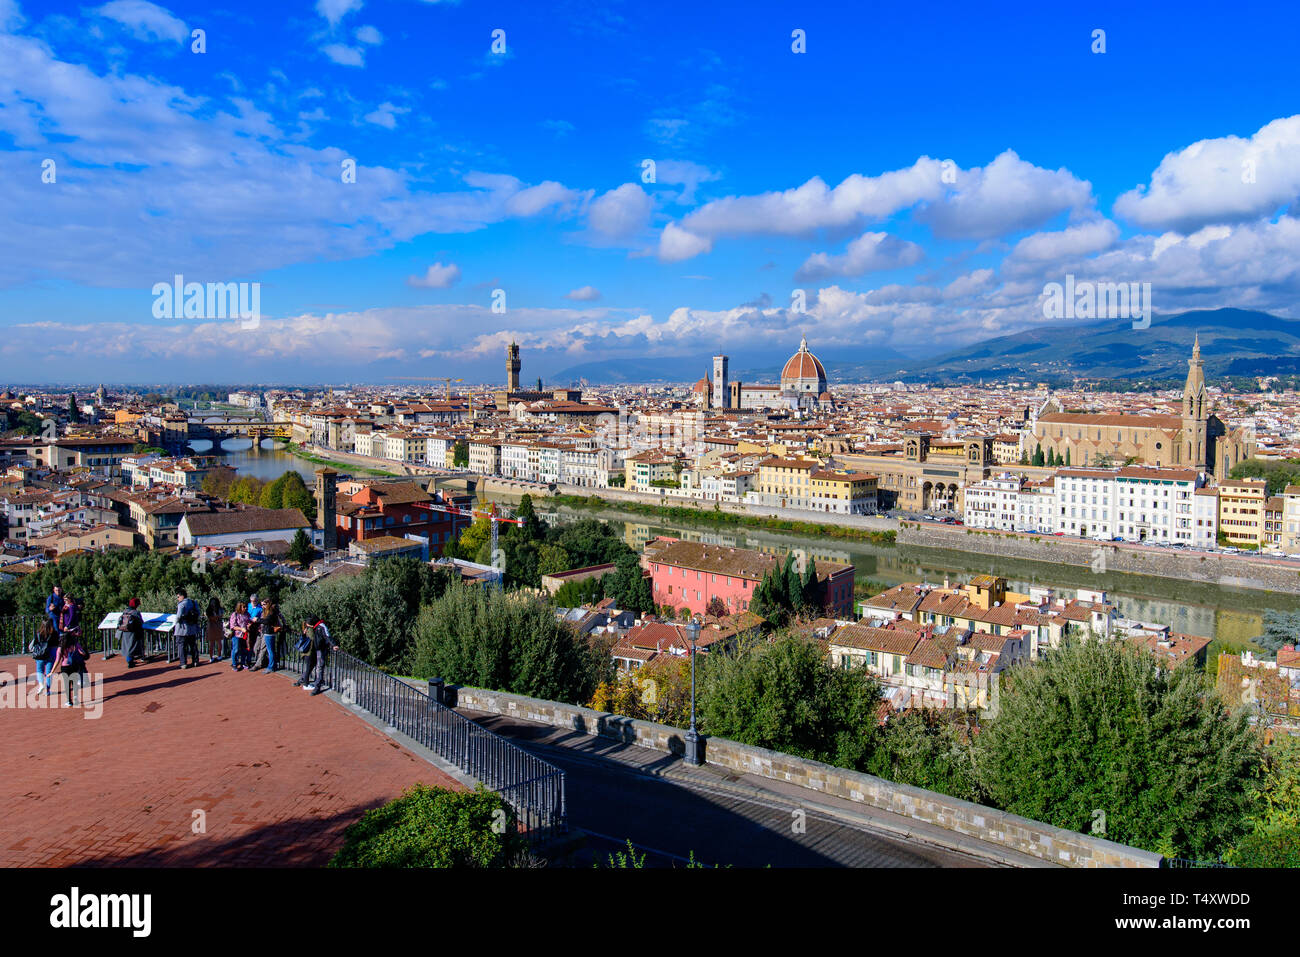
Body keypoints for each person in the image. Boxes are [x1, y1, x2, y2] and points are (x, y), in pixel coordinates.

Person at [300, 619, 337, 696]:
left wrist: (333, 644)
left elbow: (327, 636)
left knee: (319, 667)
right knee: (316, 666)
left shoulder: (321, 626)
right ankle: (313, 681)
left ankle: (317, 685)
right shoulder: (315, 627)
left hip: (321, 650)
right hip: (316, 650)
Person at [53, 628, 88, 707]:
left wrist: (52, 671)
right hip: (74, 665)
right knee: (74, 682)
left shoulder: (60, 648)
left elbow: (57, 661)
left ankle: (69, 701)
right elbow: (82, 652)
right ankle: (76, 698)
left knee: (67, 684)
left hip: (65, 667)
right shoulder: (75, 644)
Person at [174, 590, 202, 669]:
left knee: (181, 646)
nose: (178, 598)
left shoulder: (181, 604)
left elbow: (178, 616)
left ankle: (183, 663)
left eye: (178, 596)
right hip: (192, 628)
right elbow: (198, 613)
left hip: (182, 629)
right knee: (193, 645)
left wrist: (175, 623)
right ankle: (195, 661)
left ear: (182, 596)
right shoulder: (193, 602)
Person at [31, 619, 59, 697]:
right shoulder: (54, 634)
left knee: (39, 670)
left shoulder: (38, 634)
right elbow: (57, 644)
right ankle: (48, 691)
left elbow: (34, 644)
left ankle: (41, 685)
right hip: (51, 654)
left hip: (40, 655)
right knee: (49, 672)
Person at [116, 598, 145, 668]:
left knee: (127, 646)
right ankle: (130, 662)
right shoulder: (135, 612)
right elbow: (140, 622)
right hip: (133, 632)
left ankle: (129, 660)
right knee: (132, 646)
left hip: (125, 631)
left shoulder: (125, 611)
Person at [258, 599, 283, 673]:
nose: (263, 606)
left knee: (270, 650)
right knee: (271, 650)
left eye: (264, 604)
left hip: (269, 633)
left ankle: (271, 667)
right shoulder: (273, 611)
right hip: (270, 633)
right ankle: (273, 665)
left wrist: (257, 620)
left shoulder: (271, 612)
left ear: (268, 604)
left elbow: (266, 621)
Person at [228, 602, 252, 671]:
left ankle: (243, 662)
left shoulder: (247, 614)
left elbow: (249, 620)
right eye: (243, 607)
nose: (245, 608)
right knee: (236, 649)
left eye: (245, 607)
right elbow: (232, 626)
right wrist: (241, 629)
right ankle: (234, 663)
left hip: (245, 635)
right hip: (237, 635)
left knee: (244, 649)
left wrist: (249, 624)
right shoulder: (235, 614)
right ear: (240, 607)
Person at [205, 595, 226, 664]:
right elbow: (211, 618)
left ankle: (219, 655)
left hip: (218, 626)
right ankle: (211, 657)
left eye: (214, 602)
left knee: (219, 642)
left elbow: (220, 616)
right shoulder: (208, 610)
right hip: (211, 627)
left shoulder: (220, 609)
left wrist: (216, 617)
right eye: (212, 602)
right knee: (212, 643)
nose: (213, 604)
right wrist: (216, 617)